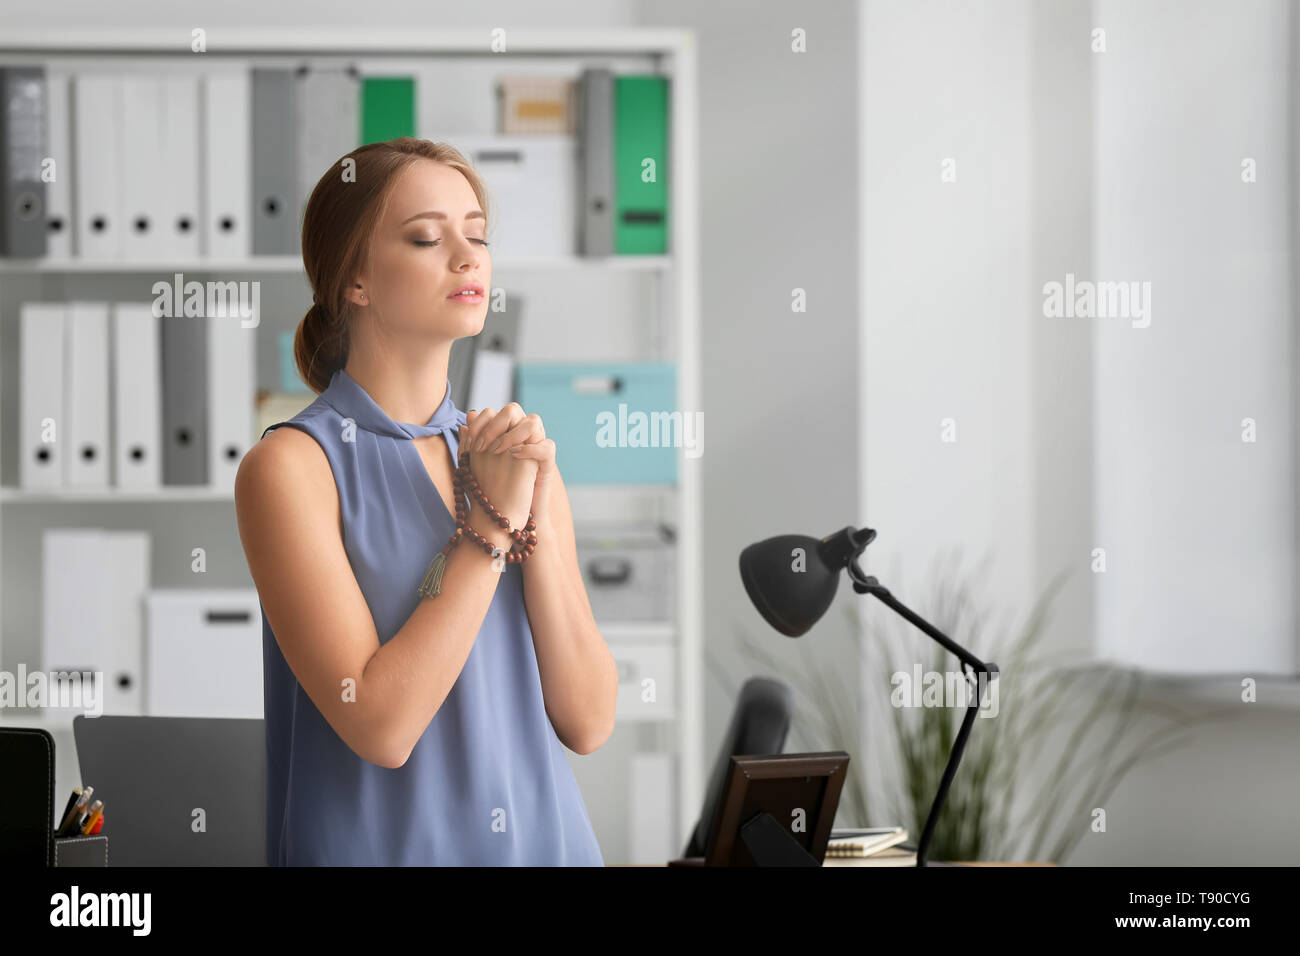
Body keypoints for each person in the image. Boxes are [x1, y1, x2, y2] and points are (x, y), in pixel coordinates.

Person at [235, 137, 616, 865]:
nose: (468, 257)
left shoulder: (515, 458)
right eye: (425, 237)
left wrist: (529, 512)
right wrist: (485, 531)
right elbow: (380, 725)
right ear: (356, 280)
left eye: (476, 235)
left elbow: (589, 718)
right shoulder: (289, 468)